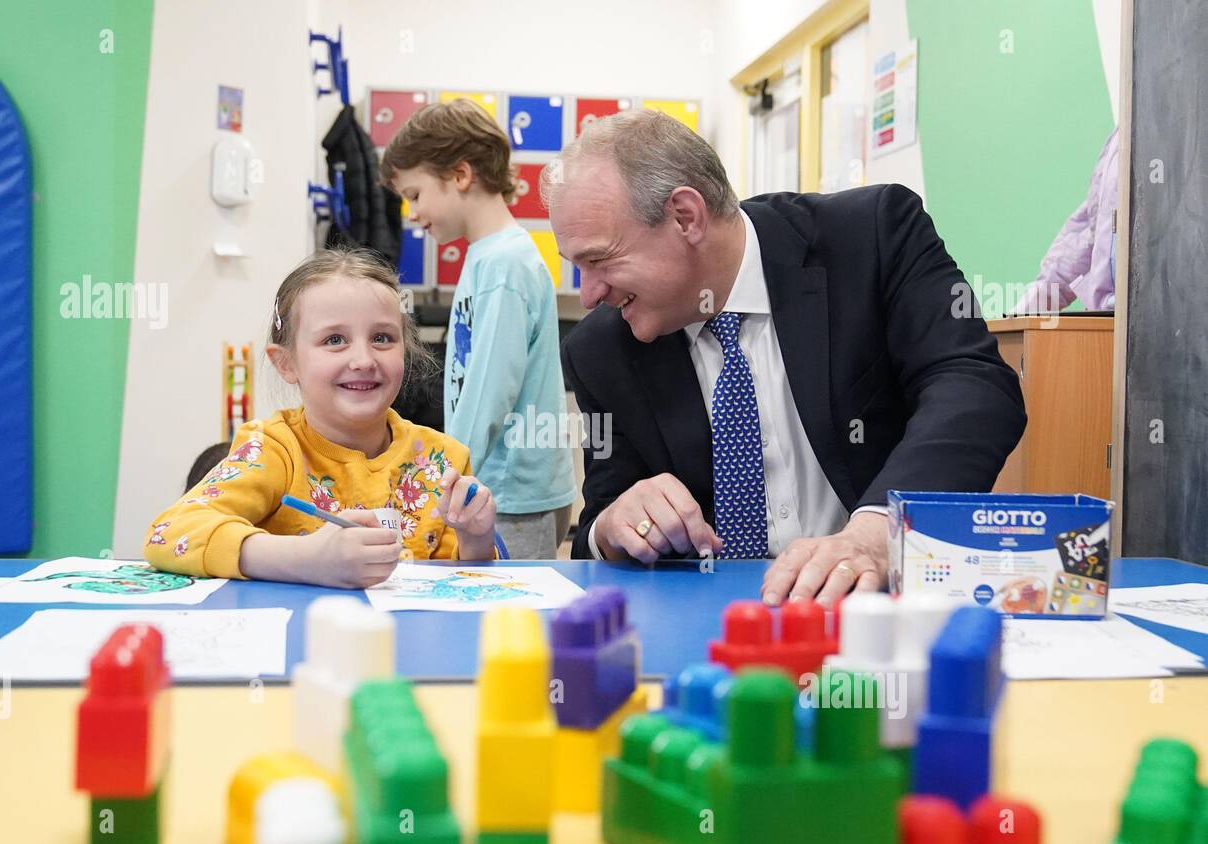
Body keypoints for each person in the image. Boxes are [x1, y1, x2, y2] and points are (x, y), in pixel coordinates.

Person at [547, 109, 1026, 605]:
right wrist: (615, 523)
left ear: (685, 217)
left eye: (599, 260)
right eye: (577, 267)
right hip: (716, 630)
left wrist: (880, 528)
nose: (589, 294)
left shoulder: (872, 237)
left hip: (880, 612)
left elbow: (975, 387)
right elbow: (597, 525)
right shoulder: (603, 350)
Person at [143, 247, 497, 588]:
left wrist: (475, 537)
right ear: (286, 363)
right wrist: (306, 558)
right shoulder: (274, 450)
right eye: (335, 340)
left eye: (382, 338)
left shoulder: (444, 459)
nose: (363, 359)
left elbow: (466, 586)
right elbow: (170, 533)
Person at [381, 99, 576, 559]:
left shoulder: (505, 264)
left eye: (415, 194)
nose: (412, 213)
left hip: (510, 495)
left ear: (461, 176)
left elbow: (490, 390)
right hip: (495, 486)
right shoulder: (488, 255)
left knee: (511, 621)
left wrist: (443, 482)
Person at [1012, 128, 1119, 314]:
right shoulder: (1121, 135)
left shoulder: (1177, 129)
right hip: (1108, 323)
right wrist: (1040, 297)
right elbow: (1092, 224)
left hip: (1154, 324)